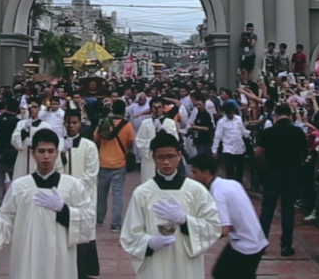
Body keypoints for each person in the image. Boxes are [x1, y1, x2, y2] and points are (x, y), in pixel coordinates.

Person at [0, 128, 94, 279]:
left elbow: (88, 220)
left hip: (60, 256)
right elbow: (6, 222)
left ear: (57, 152)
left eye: (51, 151)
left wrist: (64, 211)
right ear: (33, 153)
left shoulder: (72, 186)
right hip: (27, 255)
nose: (46, 156)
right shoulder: (20, 186)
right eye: (41, 151)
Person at [120, 130, 222, 279]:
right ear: (153, 158)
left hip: (186, 262)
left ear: (179, 156)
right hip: (155, 263)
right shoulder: (142, 192)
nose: (166, 162)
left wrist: (185, 221)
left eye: (171, 156)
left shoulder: (195, 190)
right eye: (160, 157)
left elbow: (213, 226)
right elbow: (130, 234)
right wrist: (149, 243)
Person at [188, 153, 266, 279]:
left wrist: (197, 233)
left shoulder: (218, 193)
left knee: (222, 273)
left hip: (246, 246)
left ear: (206, 172)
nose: (193, 177)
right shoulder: (230, 183)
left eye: (195, 172)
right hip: (253, 239)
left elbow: (224, 230)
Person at [255, 103, 306, 256]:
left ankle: (261, 244)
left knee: (267, 209)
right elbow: (304, 153)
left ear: (276, 116)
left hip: (272, 173)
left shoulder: (269, 132)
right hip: (291, 173)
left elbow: (259, 153)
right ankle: (286, 246)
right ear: (290, 116)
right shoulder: (297, 132)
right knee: (288, 210)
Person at [60, 108, 100, 278]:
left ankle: (85, 271)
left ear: (80, 124)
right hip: (63, 196)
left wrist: (73, 187)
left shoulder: (89, 145)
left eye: (75, 123)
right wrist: (62, 156)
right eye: (69, 123)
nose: (71, 126)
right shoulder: (59, 145)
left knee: (84, 232)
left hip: (84, 197)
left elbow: (92, 172)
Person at [95, 99, 135, 232]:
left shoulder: (104, 122)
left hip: (103, 162)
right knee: (117, 194)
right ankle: (116, 223)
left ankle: (99, 219)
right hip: (119, 163)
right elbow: (130, 143)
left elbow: (96, 138)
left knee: (102, 192)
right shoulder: (127, 125)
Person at [213, 101, 248, 187]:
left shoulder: (239, 119)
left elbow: (243, 132)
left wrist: (249, 132)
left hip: (239, 148)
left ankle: (239, 187)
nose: (230, 114)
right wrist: (214, 150)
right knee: (230, 171)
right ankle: (230, 187)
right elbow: (217, 137)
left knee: (240, 170)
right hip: (228, 148)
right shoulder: (221, 122)